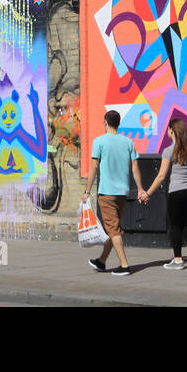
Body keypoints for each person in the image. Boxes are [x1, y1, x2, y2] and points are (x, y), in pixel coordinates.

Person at [83, 109, 145, 277]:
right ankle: (102, 261)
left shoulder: (99, 142)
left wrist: (87, 191)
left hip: (107, 192)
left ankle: (124, 265)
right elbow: (135, 167)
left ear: (105, 122)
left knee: (113, 229)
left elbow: (94, 167)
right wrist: (140, 189)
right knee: (114, 227)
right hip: (122, 194)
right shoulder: (128, 142)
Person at [141, 118, 187, 270]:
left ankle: (178, 260)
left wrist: (148, 193)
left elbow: (161, 176)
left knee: (174, 226)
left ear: (171, 130)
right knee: (183, 224)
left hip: (176, 192)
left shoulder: (169, 151)